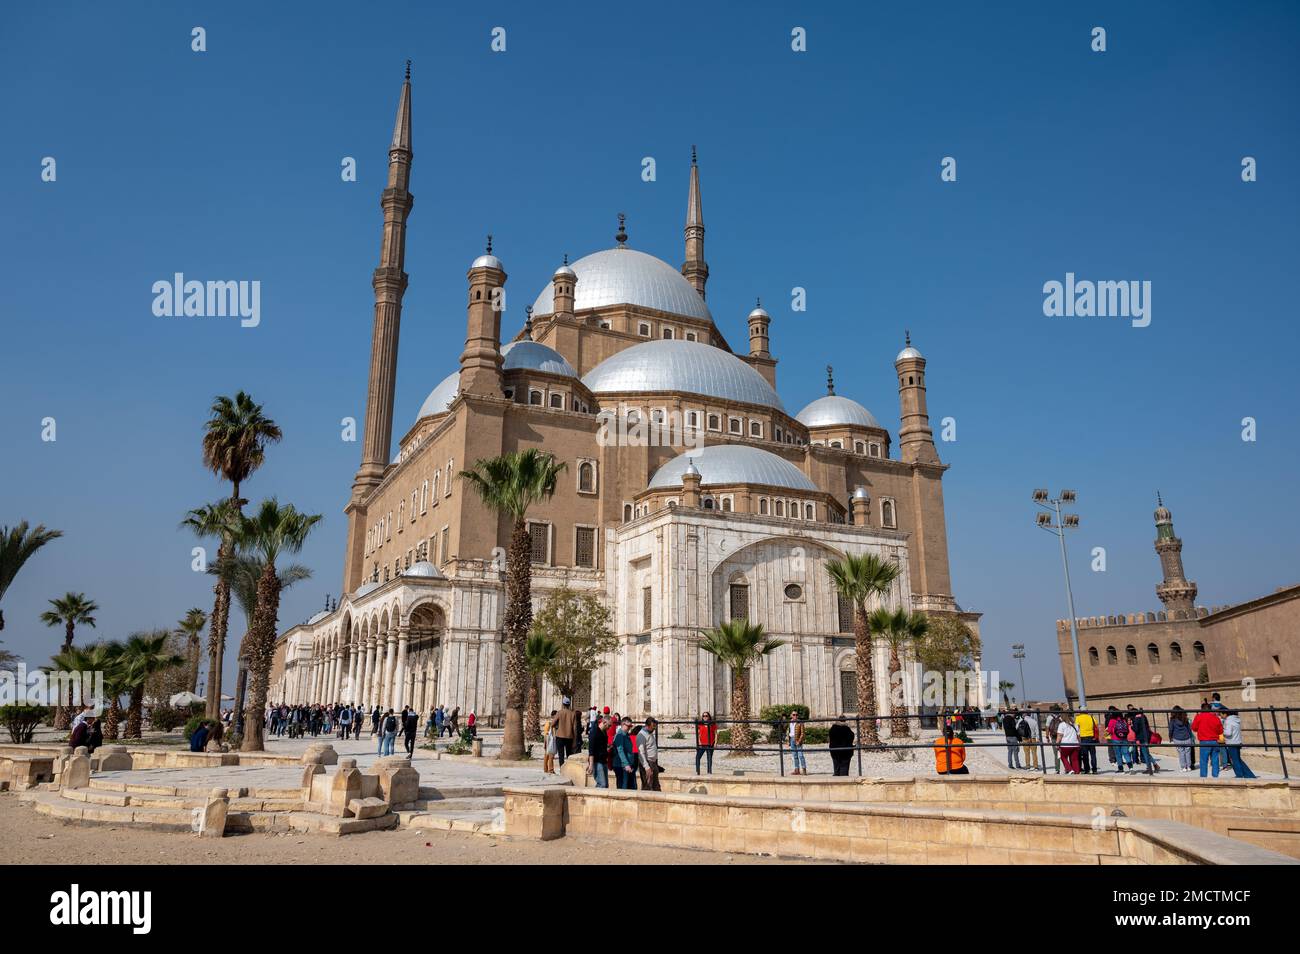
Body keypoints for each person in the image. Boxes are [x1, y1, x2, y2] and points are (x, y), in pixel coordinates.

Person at [1191, 702, 1224, 778]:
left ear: (1202, 709)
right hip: (1215, 741)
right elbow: (1220, 731)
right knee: (1215, 760)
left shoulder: (1199, 717)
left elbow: (1194, 728)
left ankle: (1203, 778)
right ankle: (1215, 776)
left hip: (1204, 742)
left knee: (1203, 761)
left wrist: (1196, 717)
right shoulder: (1215, 717)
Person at [1222, 710, 1256, 778]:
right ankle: (1249, 775)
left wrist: (1222, 731)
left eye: (1221, 714)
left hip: (1231, 743)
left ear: (1225, 714)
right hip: (1237, 742)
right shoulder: (1235, 720)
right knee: (1238, 759)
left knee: (1234, 760)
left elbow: (1228, 733)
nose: (1221, 716)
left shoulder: (1228, 721)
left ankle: (1239, 775)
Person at [636, 716, 662, 791]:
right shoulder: (641, 736)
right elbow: (641, 753)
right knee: (647, 786)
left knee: (656, 786)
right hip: (648, 763)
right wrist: (646, 767)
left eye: (655, 728)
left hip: (653, 763)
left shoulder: (649, 733)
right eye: (652, 727)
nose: (654, 729)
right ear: (647, 726)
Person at [1131, 708, 1159, 774]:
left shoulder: (1135, 719)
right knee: (1146, 752)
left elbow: (1136, 729)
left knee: (1145, 753)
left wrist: (1132, 726)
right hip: (1147, 736)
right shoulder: (1143, 716)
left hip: (1141, 737)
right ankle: (1155, 765)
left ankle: (1149, 768)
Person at [552, 698, 578, 766]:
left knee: (561, 755)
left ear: (563, 704)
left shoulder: (559, 712)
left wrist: (557, 726)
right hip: (569, 737)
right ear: (569, 705)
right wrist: (575, 740)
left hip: (560, 736)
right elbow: (574, 728)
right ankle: (568, 769)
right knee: (569, 755)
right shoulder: (573, 714)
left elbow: (552, 724)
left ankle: (562, 769)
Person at [1106, 707, 1132, 773]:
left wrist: (1109, 731)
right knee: (1126, 753)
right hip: (1124, 739)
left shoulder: (1112, 720)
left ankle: (1120, 769)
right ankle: (1130, 767)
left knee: (1118, 754)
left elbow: (1109, 731)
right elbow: (1127, 730)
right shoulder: (1123, 720)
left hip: (1115, 739)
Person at [613, 717, 637, 789]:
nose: (629, 728)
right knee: (623, 787)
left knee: (630, 787)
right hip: (622, 766)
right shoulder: (620, 735)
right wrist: (626, 764)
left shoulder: (626, 735)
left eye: (631, 726)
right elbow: (620, 751)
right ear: (623, 724)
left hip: (627, 765)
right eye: (628, 726)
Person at [1168, 706, 1194, 771]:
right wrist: (1191, 736)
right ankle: (1189, 766)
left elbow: (1171, 729)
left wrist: (1170, 737)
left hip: (1177, 739)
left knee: (1181, 753)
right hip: (1187, 738)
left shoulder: (1173, 720)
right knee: (1188, 752)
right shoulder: (1185, 718)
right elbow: (1189, 729)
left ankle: (1183, 767)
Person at [587, 714, 610, 788]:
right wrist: (591, 765)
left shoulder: (604, 732)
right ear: (604, 722)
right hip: (597, 762)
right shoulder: (594, 732)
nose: (609, 728)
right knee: (602, 784)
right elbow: (591, 749)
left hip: (603, 760)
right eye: (609, 726)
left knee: (605, 785)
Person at [1075, 709, 1097, 774]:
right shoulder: (1091, 717)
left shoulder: (1078, 718)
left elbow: (1076, 728)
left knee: (1085, 755)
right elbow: (1095, 725)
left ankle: (1087, 769)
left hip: (1083, 738)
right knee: (1093, 755)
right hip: (1092, 738)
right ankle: (1094, 769)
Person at [788, 711, 807, 776]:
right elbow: (789, 731)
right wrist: (788, 741)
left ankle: (804, 769)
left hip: (797, 739)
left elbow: (802, 733)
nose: (795, 716)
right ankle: (797, 770)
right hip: (792, 739)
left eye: (796, 714)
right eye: (794, 714)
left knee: (801, 755)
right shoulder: (790, 722)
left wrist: (799, 741)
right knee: (794, 756)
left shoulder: (800, 723)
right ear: (791, 715)